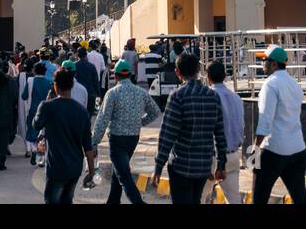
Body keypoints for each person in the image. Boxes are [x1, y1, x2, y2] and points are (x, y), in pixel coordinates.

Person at [153, 53, 226, 205]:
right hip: (203, 166)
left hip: (181, 166)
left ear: (177, 73)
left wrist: (158, 166)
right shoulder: (213, 96)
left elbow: (167, 135)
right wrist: (221, 164)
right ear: (198, 69)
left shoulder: (177, 96)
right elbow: (220, 133)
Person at [92, 59, 161, 204]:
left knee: (123, 175)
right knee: (119, 172)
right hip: (133, 139)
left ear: (115, 76)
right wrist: (140, 122)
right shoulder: (141, 92)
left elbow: (102, 120)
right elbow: (155, 112)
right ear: (130, 75)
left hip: (117, 140)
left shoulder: (112, 93)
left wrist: (93, 143)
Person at [252, 46, 306, 204]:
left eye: (264, 60)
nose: (262, 63)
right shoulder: (294, 84)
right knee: (300, 199)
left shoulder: (270, 85)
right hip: (297, 149)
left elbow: (265, 121)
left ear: (274, 64)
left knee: (259, 198)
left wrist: (255, 149)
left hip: (274, 150)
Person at [32, 67, 96, 204]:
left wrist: (46, 101)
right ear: (72, 85)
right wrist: (91, 172)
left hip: (56, 167)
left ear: (55, 86)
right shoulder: (82, 112)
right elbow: (88, 147)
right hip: (75, 167)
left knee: (52, 200)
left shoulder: (47, 107)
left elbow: (36, 125)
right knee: (67, 200)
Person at [207, 60, 245, 203]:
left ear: (208, 77)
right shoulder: (236, 98)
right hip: (234, 154)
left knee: (201, 196)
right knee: (234, 199)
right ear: (224, 76)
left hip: (213, 158)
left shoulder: (207, 96)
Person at [24, 61, 54, 164]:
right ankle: (40, 155)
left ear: (34, 71)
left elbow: (24, 96)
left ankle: (33, 150)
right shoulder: (49, 82)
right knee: (43, 133)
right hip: (45, 110)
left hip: (32, 109)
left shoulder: (30, 81)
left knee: (32, 131)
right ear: (45, 72)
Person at [74, 47, 100, 114]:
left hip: (77, 94)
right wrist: (98, 94)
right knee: (89, 114)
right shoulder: (91, 66)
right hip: (90, 93)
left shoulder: (74, 65)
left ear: (77, 55)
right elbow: (96, 82)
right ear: (86, 55)